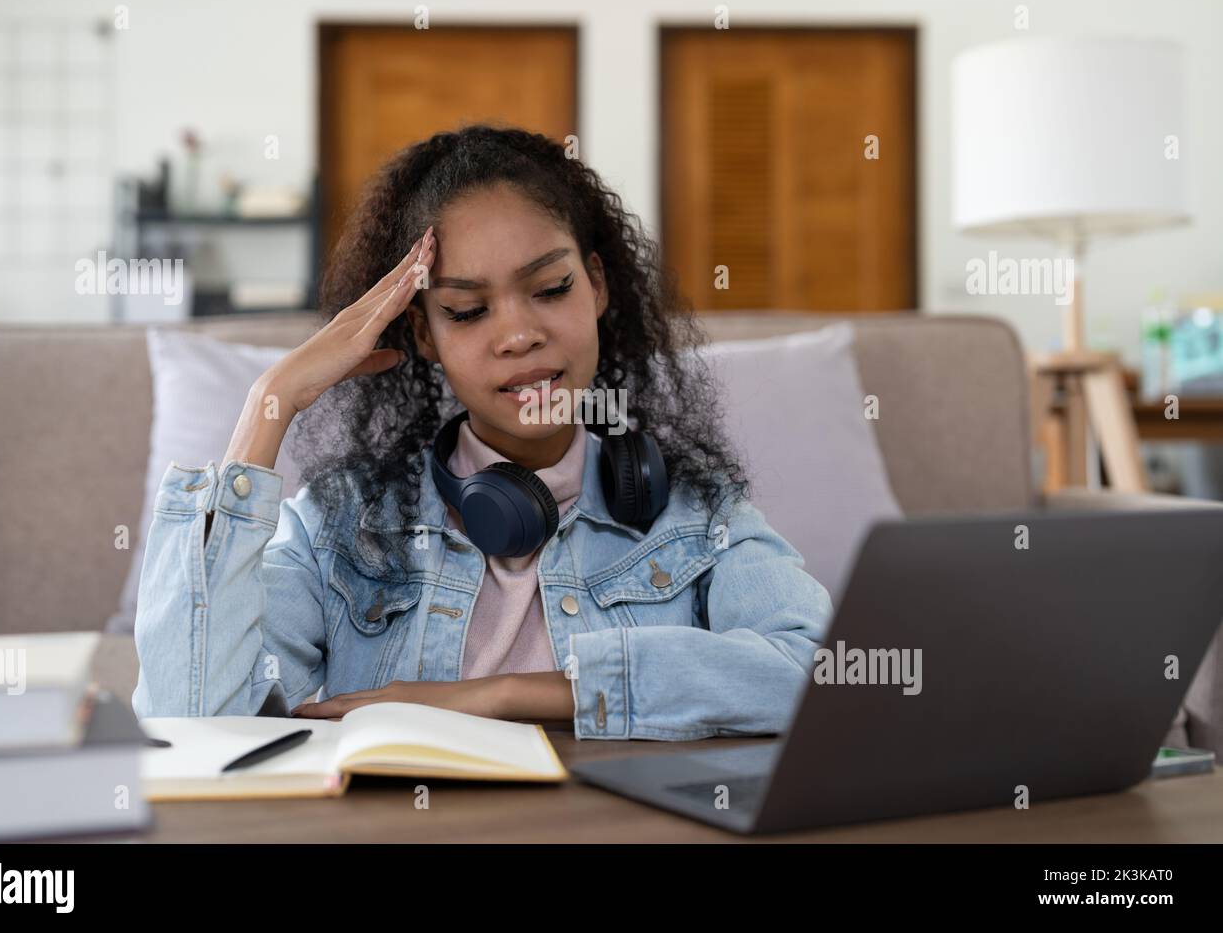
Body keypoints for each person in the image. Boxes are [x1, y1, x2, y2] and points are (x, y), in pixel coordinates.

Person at [132, 124, 833, 740]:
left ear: (597, 286)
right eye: (467, 311)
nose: (520, 335)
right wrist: (270, 403)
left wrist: (497, 698)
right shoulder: (339, 528)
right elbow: (190, 720)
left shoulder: (695, 517)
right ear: (425, 336)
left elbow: (822, 674)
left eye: (551, 289)